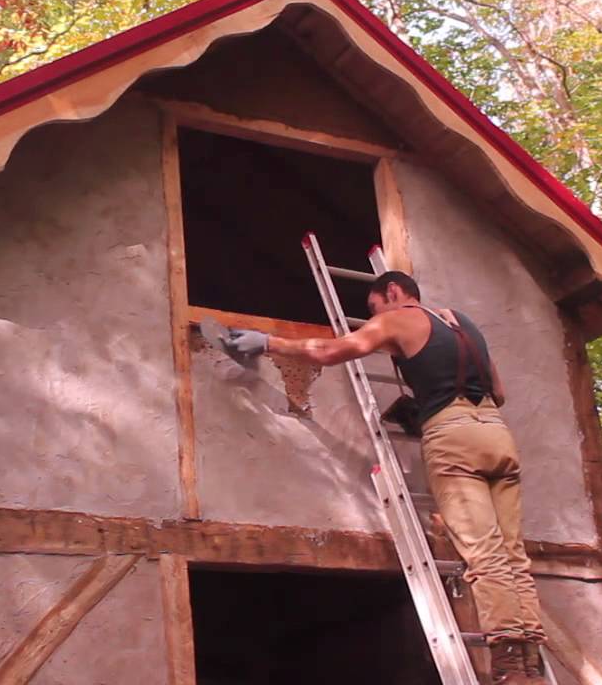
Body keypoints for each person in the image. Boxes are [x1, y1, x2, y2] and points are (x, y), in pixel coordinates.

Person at [224, 271, 546, 685]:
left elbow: (329, 350)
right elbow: (498, 391)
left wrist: (267, 342)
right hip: (497, 435)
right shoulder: (462, 322)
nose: (375, 316)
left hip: (454, 436)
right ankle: (532, 664)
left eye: (374, 308)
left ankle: (510, 670)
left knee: (484, 556)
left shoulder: (399, 318)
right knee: (513, 557)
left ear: (392, 292)